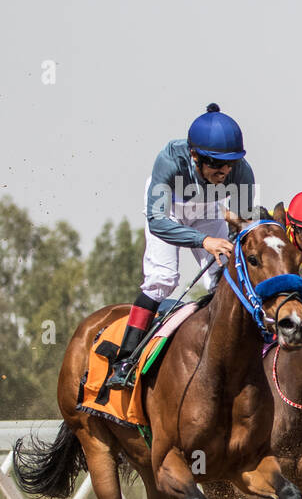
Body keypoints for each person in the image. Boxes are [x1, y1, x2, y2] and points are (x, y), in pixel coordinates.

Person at [105, 103, 257, 389]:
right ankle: (125, 361)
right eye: (214, 162)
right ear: (194, 155)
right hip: (169, 210)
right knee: (163, 278)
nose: (224, 170)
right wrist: (203, 240)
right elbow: (157, 222)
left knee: (225, 275)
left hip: (210, 210)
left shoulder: (241, 172)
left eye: (229, 163)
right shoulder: (169, 160)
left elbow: (243, 225)